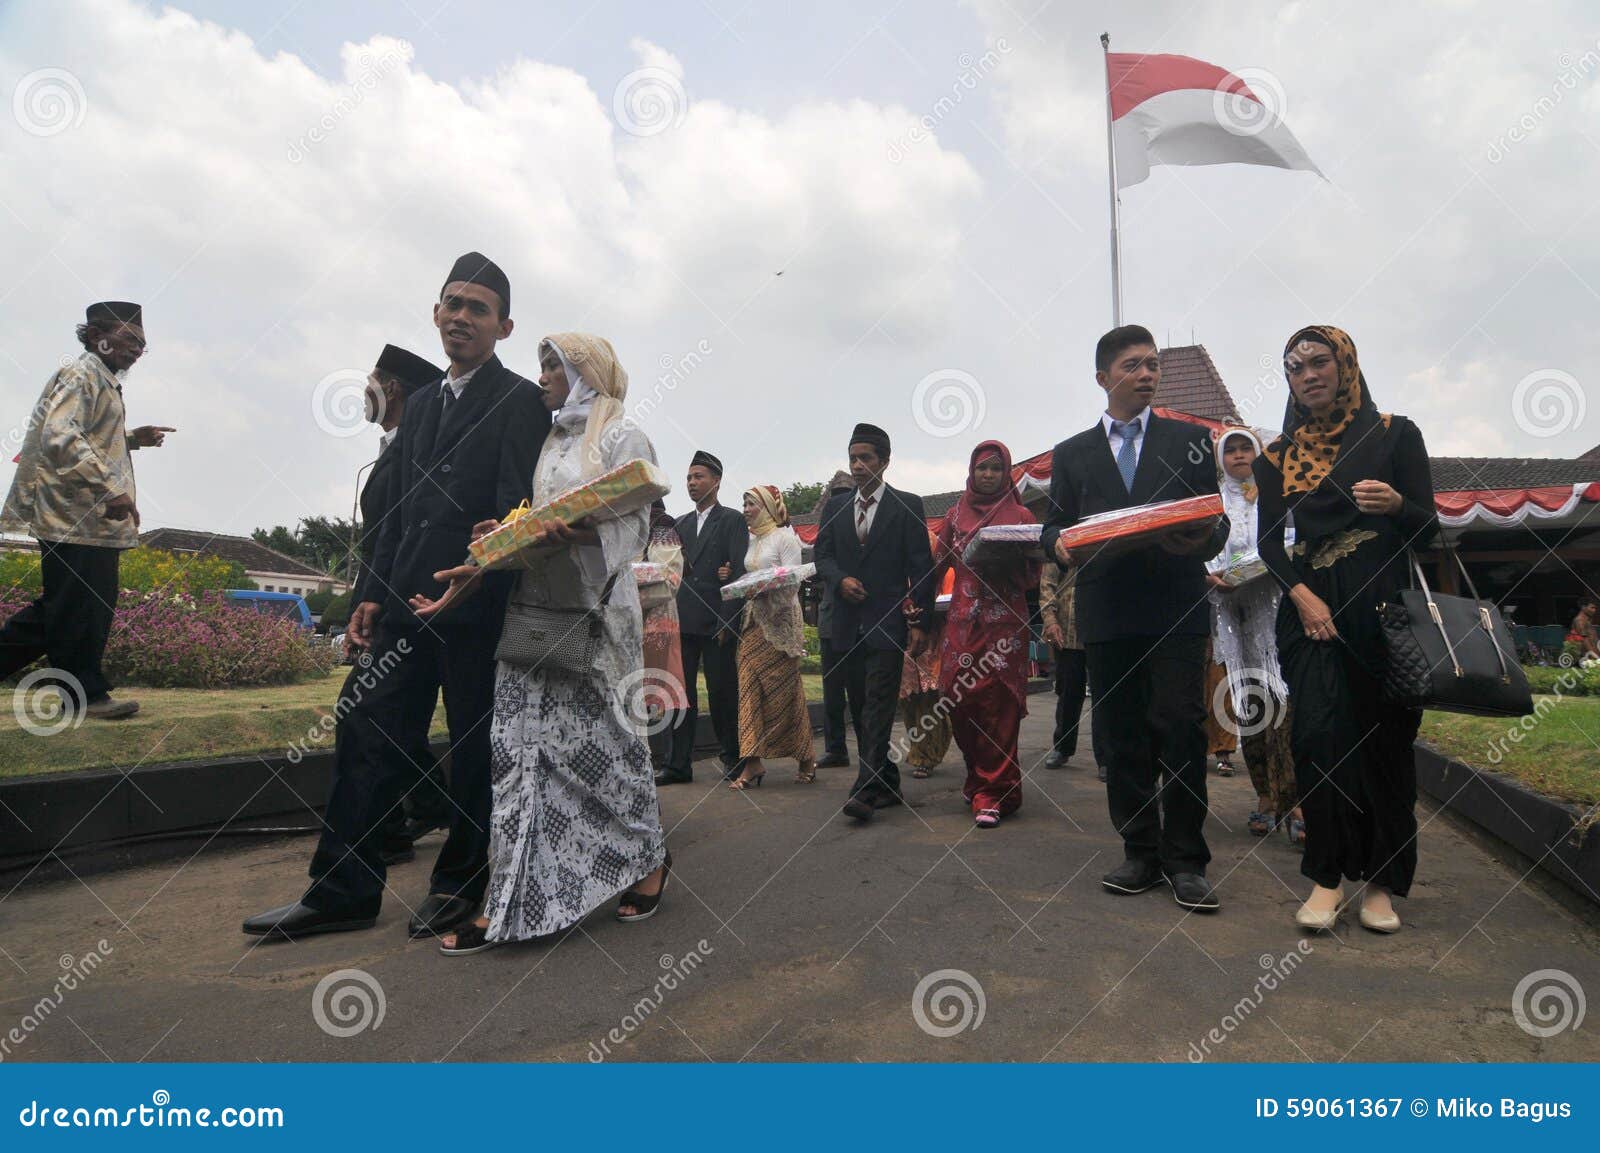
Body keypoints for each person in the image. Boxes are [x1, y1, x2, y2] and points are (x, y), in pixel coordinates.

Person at [243, 252, 551, 941]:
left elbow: (517, 513)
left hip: (475, 613)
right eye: (452, 304)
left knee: (473, 750)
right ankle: (341, 891)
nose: (462, 317)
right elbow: (399, 515)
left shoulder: (521, 401)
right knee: (364, 724)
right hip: (406, 610)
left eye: (478, 308)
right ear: (435, 313)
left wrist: (477, 571)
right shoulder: (422, 408)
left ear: (505, 325)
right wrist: (374, 596)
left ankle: (462, 883)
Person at [415, 333, 670, 954]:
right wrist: (505, 534)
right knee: (521, 756)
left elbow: (633, 527)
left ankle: (648, 859)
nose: (544, 377)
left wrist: (578, 536)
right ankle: (516, 899)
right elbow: (537, 517)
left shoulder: (620, 435)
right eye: (542, 366)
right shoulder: (552, 438)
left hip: (596, 615)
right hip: (533, 610)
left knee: (610, 751)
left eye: (554, 365)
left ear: (586, 372)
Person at [1255, 325, 1438, 934]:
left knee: (1385, 744)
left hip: (1382, 613)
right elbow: (1267, 543)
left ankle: (1382, 883)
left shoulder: (1395, 435)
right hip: (1310, 614)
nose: (1307, 373)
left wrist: (1398, 507)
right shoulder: (1275, 457)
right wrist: (1302, 596)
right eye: (1294, 366)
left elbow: (1428, 527)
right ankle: (1327, 878)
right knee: (1318, 740)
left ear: (1346, 364)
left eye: (1319, 361)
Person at [1040, 325, 1227, 912]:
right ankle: (1140, 850)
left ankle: (1187, 860)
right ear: (1103, 377)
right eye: (1132, 365)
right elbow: (1054, 526)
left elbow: (1215, 522)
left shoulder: (1189, 441)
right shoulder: (1071, 454)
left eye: (1152, 365)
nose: (1146, 374)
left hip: (1176, 605)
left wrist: (1197, 539)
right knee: (1120, 736)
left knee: (1180, 726)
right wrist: (1059, 547)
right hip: (1107, 610)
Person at [1, 302, 173, 721]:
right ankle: (84, 696)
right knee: (78, 607)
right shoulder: (81, 374)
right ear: (99, 334)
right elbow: (60, 435)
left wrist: (132, 438)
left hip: (88, 521)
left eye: (142, 345)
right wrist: (110, 487)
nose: (137, 350)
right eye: (131, 339)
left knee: (65, 609)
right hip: (72, 517)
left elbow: (90, 435)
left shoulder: (102, 380)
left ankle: (84, 691)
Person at [350, 344, 454, 866]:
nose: (362, 392)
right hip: (381, 601)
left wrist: (373, 601)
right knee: (388, 719)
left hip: (400, 604)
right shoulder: (394, 447)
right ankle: (414, 814)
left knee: (367, 712)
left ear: (391, 389)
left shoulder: (412, 453)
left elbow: (391, 539)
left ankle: (394, 827)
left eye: (370, 381)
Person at [813, 422, 935, 824]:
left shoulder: (907, 506)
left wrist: (921, 621)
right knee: (861, 704)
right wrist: (839, 580)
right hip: (845, 625)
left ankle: (864, 790)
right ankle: (888, 781)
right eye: (853, 458)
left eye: (866, 458)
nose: (859, 465)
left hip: (887, 622)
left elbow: (921, 568)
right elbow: (823, 556)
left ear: (885, 462)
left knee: (878, 707)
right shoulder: (834, 507)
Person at [1204, 426, 1304, 845]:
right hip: (1229, 610)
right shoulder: (1212, 502)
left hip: (1272, 608)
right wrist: (1209, 575)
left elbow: (1293, 539)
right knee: (1249, 704)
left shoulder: (1274, 493)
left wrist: (1261, 565)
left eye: (1247, 448)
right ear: (1221, 459)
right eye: (1232, 451)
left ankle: (1297, 802)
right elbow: (1201, 547)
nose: (1240, 456)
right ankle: (1265, 797)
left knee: (1283, 702)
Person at [933, 440, 1039, 828]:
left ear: (1006, 472)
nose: (989, 475)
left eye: (996, 469)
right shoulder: (954, 513)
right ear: (972, 471)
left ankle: (994, 792)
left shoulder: (1023, 516)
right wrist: (917, 610)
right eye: (983, 468)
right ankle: (978, 777)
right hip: (962, 624)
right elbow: (938, 562)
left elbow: (1034, 574)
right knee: (961, 702)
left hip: (1006, 625)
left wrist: (1010, 559)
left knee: (1000, 706)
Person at [660, 451, 749, 785]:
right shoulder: (679, 524)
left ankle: (732, 757)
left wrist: (729, 619)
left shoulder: (731, 520)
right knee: (679, 695)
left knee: (722, 692)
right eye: (688, 478)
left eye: (698, 477)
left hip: (716, 621)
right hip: (682, 619)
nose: (692, 483)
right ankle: (677, 764)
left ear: (716, 480)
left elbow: (738, 571)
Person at [729, 485, 817, 789]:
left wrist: (763, 591)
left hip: (780, 624)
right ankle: (752, 762)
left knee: (786, 690)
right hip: (753, 622)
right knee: (747, 685)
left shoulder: (785, 538)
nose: (745, 509)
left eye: (751, 503)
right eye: (744, 503)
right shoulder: (753, 540)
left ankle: (805, 755)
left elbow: (793, 582)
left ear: (767, 507)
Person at [1038, 560, 1110, 780]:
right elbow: (1047, 584)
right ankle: (1063, 746)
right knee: (1068, 692)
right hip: (1067, 632)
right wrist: (1050, 620)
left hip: (1102, 629)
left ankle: (1106, 758)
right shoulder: (1062, 539)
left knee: (1104, 696)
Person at [640, 500, 689, 775]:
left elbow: (669, 578)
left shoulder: (661, 527)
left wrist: (626, 587)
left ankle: (667, 761)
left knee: (658, 689)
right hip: (631, 621)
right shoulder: (629, 526)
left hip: (656, 621)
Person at [897, 537, 952, 781]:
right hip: (902, 640)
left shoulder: (934, 549)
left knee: (930, 699)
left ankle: (928, 755)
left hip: (932, 637)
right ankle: (919, 750)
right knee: (909, 699)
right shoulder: (896, 557)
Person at [816, 469, 860, 768]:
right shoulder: (829, 533)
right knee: (834, 691)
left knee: (856, 691)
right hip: (832, 616)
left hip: (854, 618)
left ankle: (847, 747)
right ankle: (836, 747)